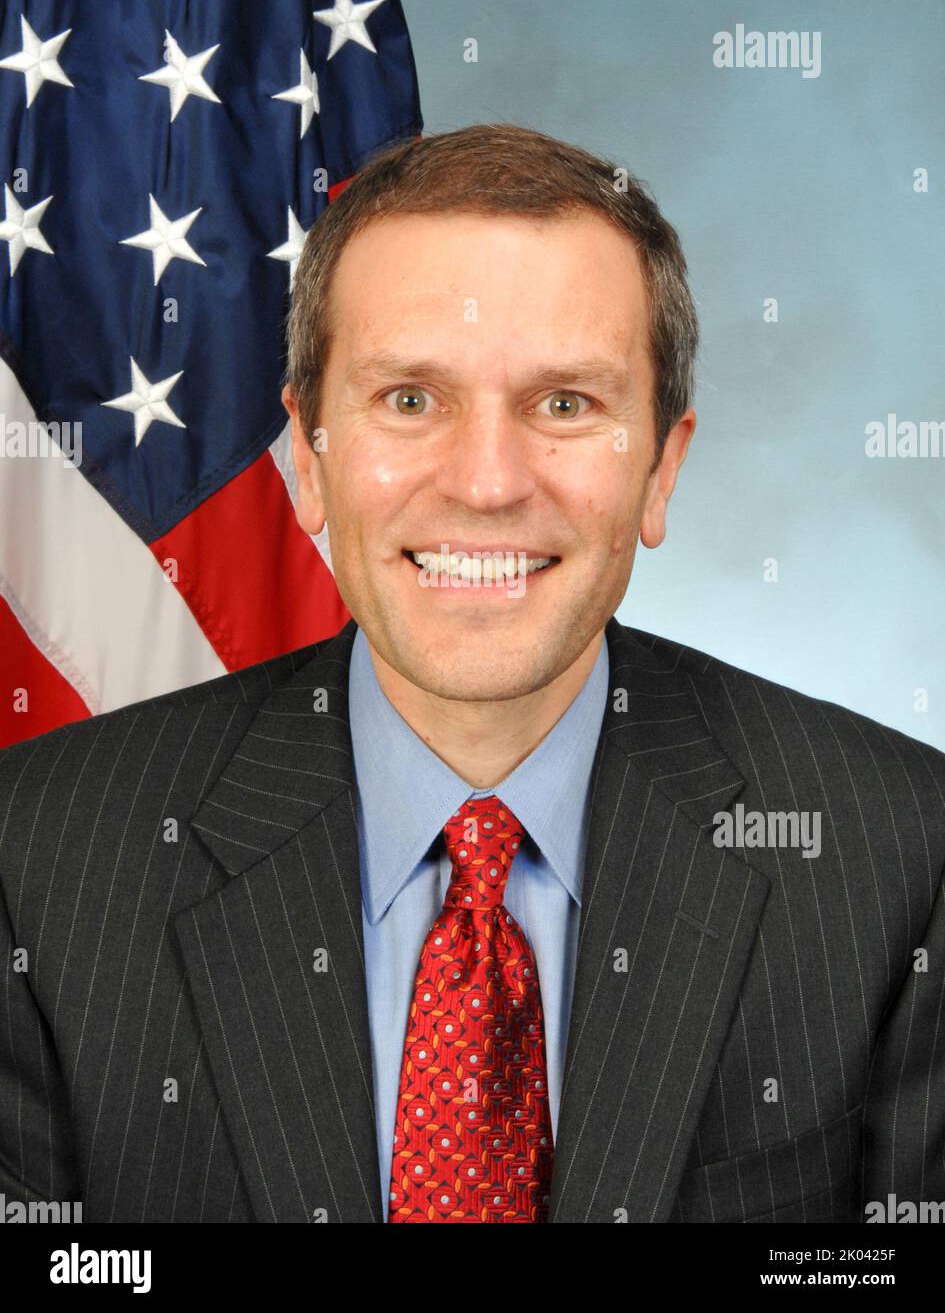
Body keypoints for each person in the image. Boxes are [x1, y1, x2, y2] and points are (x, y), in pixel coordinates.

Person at [1, 124, 942, 1224]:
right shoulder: (41, 858)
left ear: (662, 466)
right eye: (410, 398)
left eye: (563, 404)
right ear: (306, 459)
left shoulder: (898, 856)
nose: (487, 484)